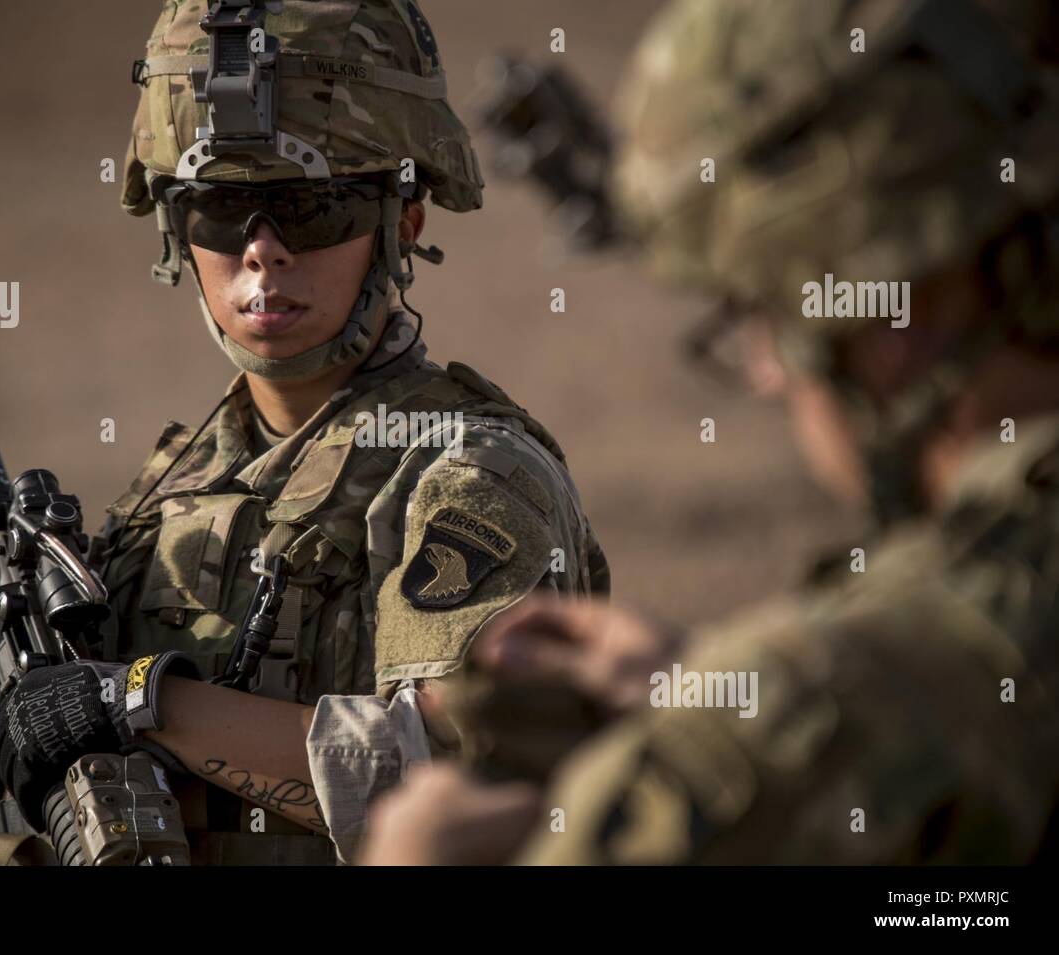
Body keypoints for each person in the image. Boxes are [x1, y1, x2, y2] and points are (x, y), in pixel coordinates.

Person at [0, 0, 609, 866]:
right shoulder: (180, 481)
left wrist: (139, 701)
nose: (264, 252)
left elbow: (468, 783)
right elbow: (12, 832)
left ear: (404, 221)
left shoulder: (470, 471)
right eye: (219, 209)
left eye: (313, 206)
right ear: (177, 227)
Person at [359, 0, 1059, 865]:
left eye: (755, 317)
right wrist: (715, 686)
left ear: (888, 318)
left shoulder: (753, 749)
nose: (766, 373)